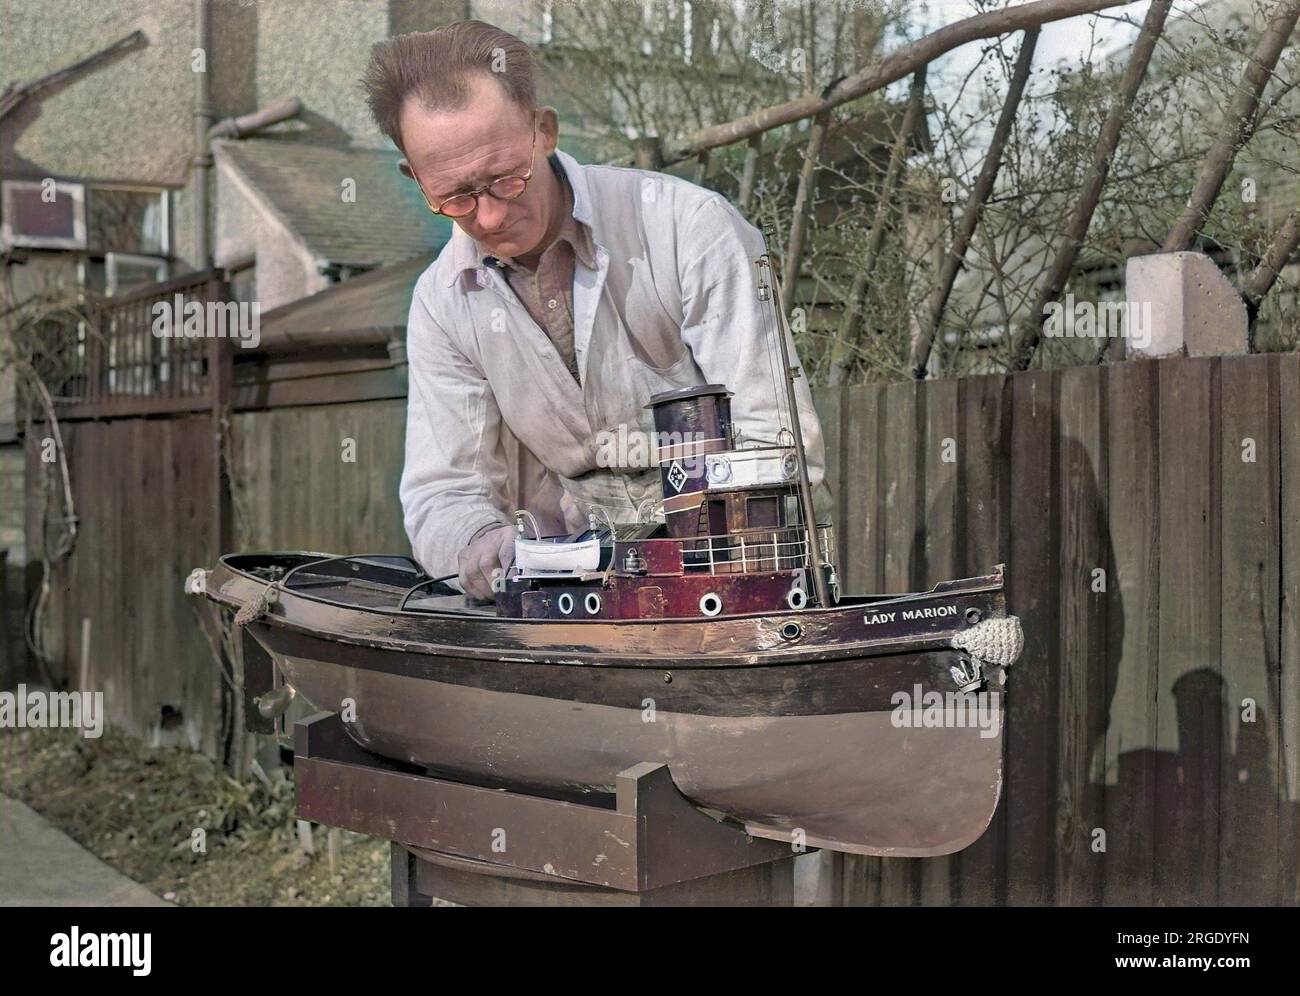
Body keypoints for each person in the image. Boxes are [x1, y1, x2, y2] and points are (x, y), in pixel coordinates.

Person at [362, 19, 830, 601]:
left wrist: (706, 573)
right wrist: (485, 543)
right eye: (454, 197)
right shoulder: (441, 304)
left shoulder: (687, 228)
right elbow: (444, 491)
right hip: (582, 602)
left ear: (544, 131)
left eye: (506, 179)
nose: (487, 218)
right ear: (416, 178)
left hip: (749, 582)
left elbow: (773, 441)